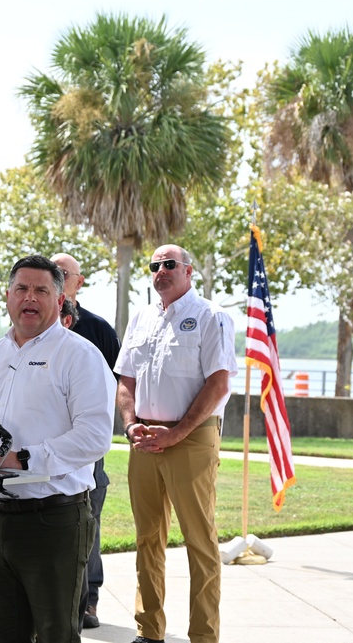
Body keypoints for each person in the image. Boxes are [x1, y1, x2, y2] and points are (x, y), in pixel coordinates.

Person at [0, 254, 115, 643]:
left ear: (60, 298)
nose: (29, 298)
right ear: (8, 295)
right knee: (2, 635)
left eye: (41, 290)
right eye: (22, 289)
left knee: (55, 636)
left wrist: (22, 458)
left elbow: (95, 435)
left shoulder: (80, 356)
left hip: (53, 522)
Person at [115, 245, 237, 643]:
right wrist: (131, 424)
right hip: (145, 438)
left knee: (199, 541)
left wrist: (179, 432)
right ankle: (148, 632)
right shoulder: (142, 316)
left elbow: (219, 382)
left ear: (188, 271)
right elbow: (126, 380)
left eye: (170, 265)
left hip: (192, 437)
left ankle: (203, 636)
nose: (161, 271)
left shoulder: (211, 316)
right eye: (155, 266)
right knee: (148, 538)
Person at [51, 252, 120, 631]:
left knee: (86, 524)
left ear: (79, 282)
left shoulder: (98, 330)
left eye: (64, 274)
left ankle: (88, 600)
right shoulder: (31, 330)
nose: (58, 278)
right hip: (39, 452)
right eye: (53, 272)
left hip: (85, 451)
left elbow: (117, 386)